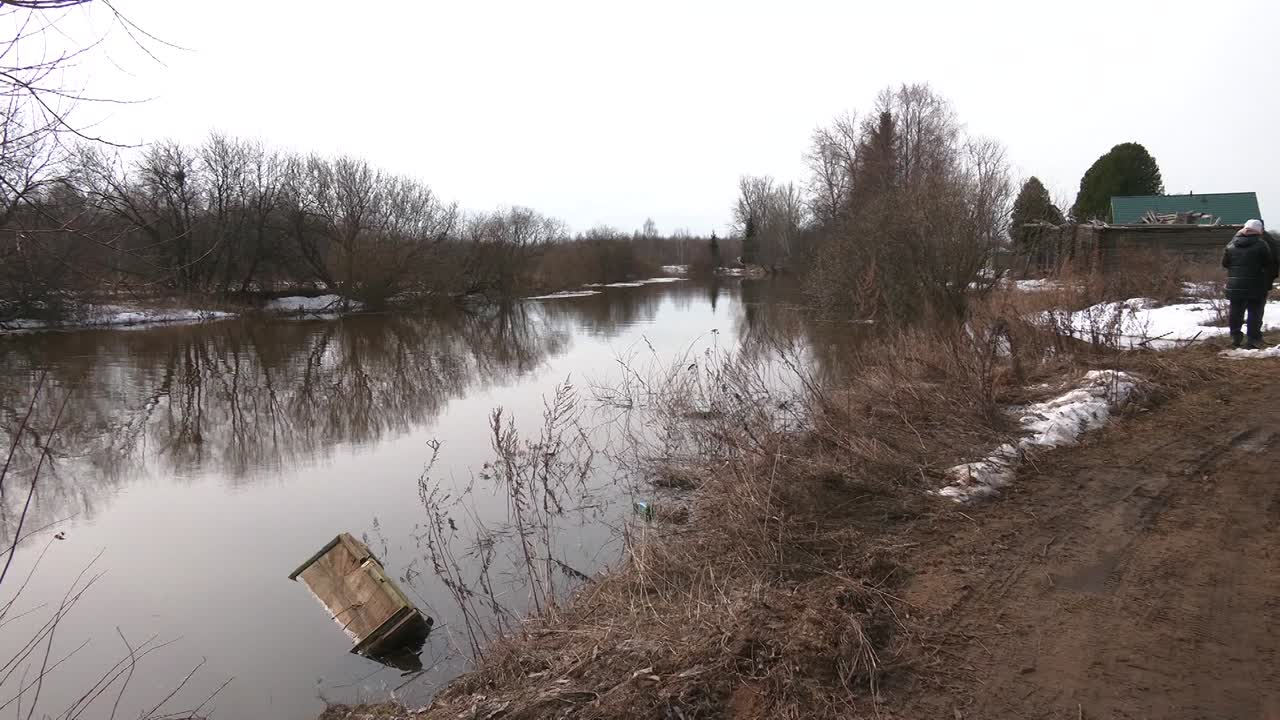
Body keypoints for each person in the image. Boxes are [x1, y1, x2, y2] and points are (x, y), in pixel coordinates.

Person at [1222, 218, 1277, 349]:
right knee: (1255, 312)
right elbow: (1268, 263)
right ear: (1258, 231)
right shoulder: (1262, 245)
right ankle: (1252, 339)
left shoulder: (1231, 244)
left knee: (1235, 311)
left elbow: (1225, 263)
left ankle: (1235, 337)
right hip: (1256, 285)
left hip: (1234, 285)